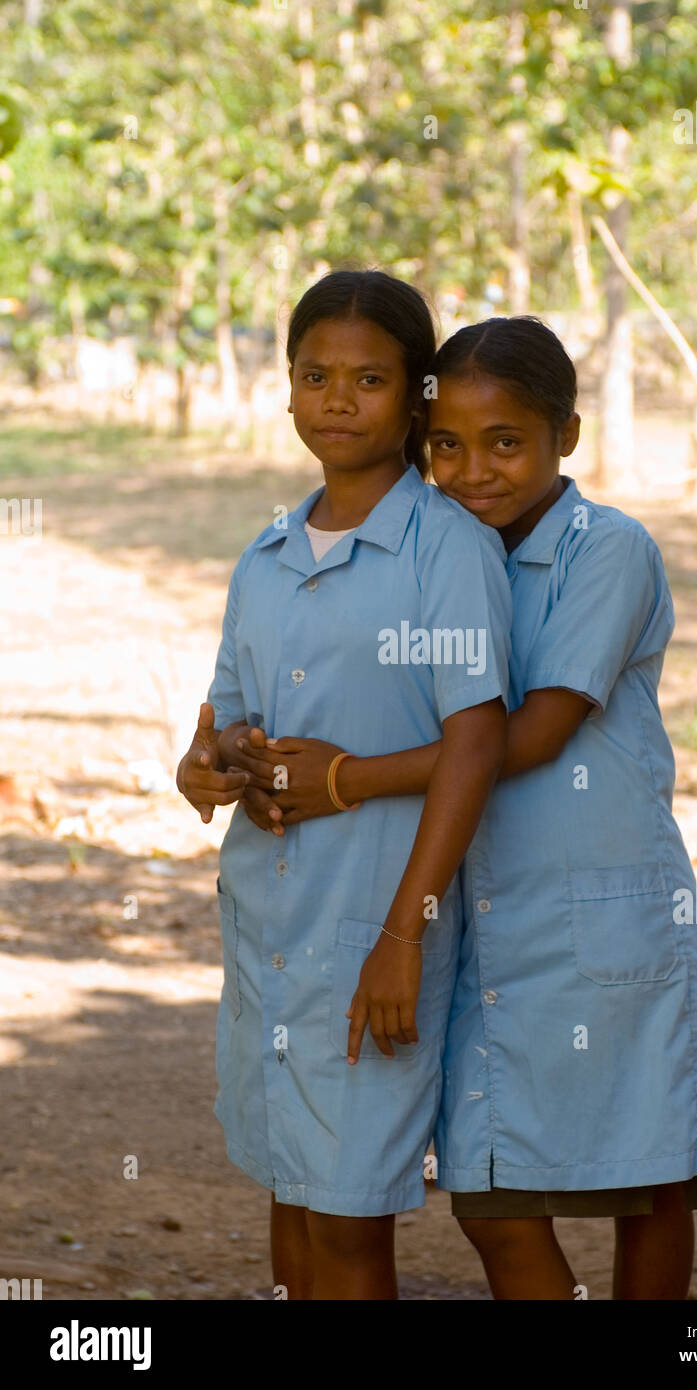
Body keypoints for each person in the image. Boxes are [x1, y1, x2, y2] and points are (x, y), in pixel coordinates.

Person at [236, 315, 697, 1301]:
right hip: (475, 920)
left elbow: (533, 733)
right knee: (490, 1194)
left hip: (602, 912)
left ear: (567, 438)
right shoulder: (438, 551)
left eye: (506, 442)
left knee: (651, 1179)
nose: (474, 470)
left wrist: (345, 779)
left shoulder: (608, 550)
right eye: (446, 445)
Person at [176, 272, 511, 1300]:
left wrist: (405, 933)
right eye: (315, 374)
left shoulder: (446, 548)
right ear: (285, 388)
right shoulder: (265, 556)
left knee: (352, 1217)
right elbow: (218, 733)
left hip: (375, 932)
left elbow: (478, 738)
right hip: (269, 923)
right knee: (290, 1192)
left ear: (416, 395)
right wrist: (213, 765)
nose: (337, 399)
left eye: (369, 378)